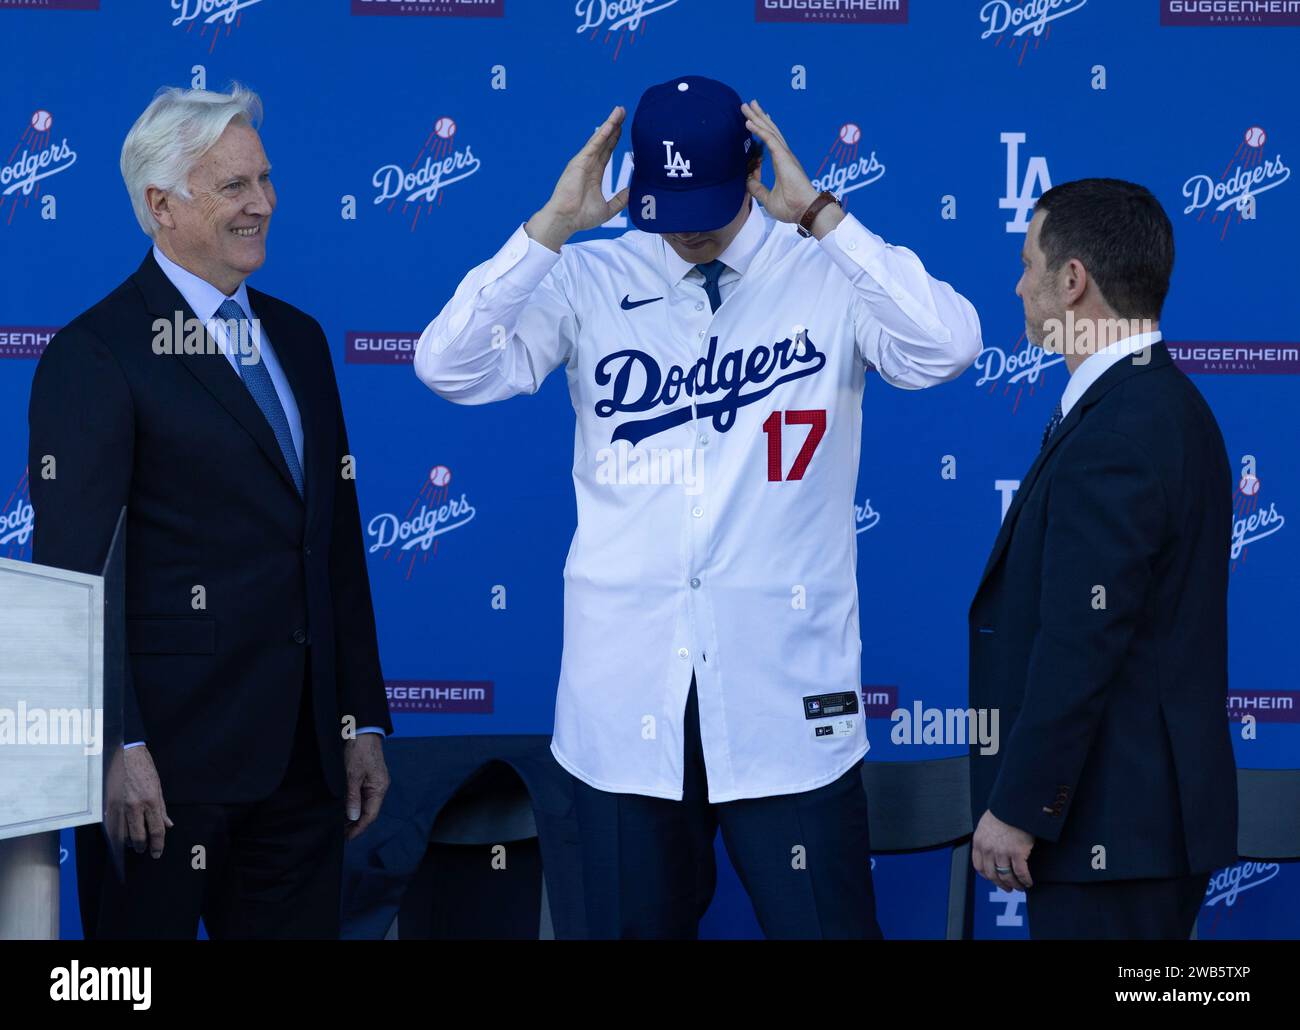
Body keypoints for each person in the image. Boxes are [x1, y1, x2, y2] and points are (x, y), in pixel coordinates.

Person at [414, 75, 981, 939]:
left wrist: (825, 217)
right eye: (667, 203)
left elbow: (948, 347)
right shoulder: (589, 277)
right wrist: (548, 231)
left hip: (786, 702)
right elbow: (446, 366)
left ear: (754, 169)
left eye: (707, 202)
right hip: (622, 714)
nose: (686, 225)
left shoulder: (823, 272)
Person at [27, 84, 392, 939]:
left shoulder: (299, 339)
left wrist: (362, 717)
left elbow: (332, 547)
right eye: (234, 187)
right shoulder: (96, 353)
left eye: (264, 181)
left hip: (307, 768)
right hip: (163, 775)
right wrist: (116, 744)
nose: (261, 204)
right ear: (162, 206)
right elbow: (72, 578)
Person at [968, 178, 1238, 939]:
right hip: (1133, 833)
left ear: (1073, 280)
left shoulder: (1121, 427)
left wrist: (1020, 807)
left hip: (1111, 834)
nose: (1019, 285)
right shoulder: (1159, 404)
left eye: (1028, 264)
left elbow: (1083, 642)